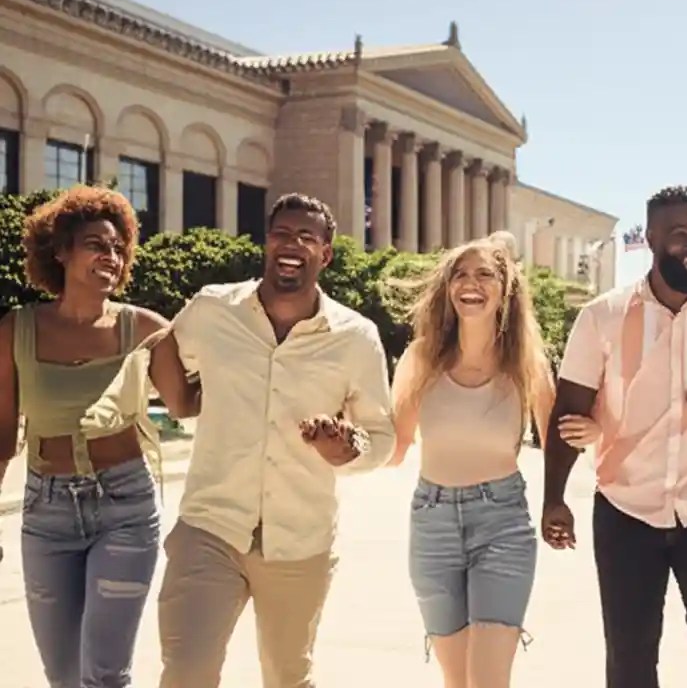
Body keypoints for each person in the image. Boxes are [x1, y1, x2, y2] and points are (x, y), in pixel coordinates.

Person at [155, 193, 396, 688]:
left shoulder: (356, 337)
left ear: (325, 255)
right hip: (210, 527)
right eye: (282, 233)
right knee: (187, 673)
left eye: (307, 238)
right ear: (267, 242)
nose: (292, 245)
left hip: (300, 540)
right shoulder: (213, 309)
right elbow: (166, 351)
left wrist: (345, 452)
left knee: (288, 676)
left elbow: (381, 437)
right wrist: (183, 403)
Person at [541, 185, 687, 688]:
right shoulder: (602, 317)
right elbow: (568, 408)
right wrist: (554, 498)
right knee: (629, 653)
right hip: (626, 509)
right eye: (680, 233)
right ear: (650, 238)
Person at [0, 185, 197, 687]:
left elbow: (185, 407)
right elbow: (2, 433)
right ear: (61, 250)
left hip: (124, 508)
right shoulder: (15, 330)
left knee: (104, 675)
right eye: (95, 244)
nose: (110, 256)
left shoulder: (148, 330)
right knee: (63, 675)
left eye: (117, 248)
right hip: (45, 513)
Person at [387, 234, 596, 688]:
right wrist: (344, 439)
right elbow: (395, 446)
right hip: (432, 523)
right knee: (457, 679)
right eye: (459, 274)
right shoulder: (420, 359)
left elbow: (559, 439)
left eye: (485, 274)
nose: (470, 283)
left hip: (501, 522)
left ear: (505, 290)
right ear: (446, 289)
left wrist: (591, 438)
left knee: (486, 680)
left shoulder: (525, 364)